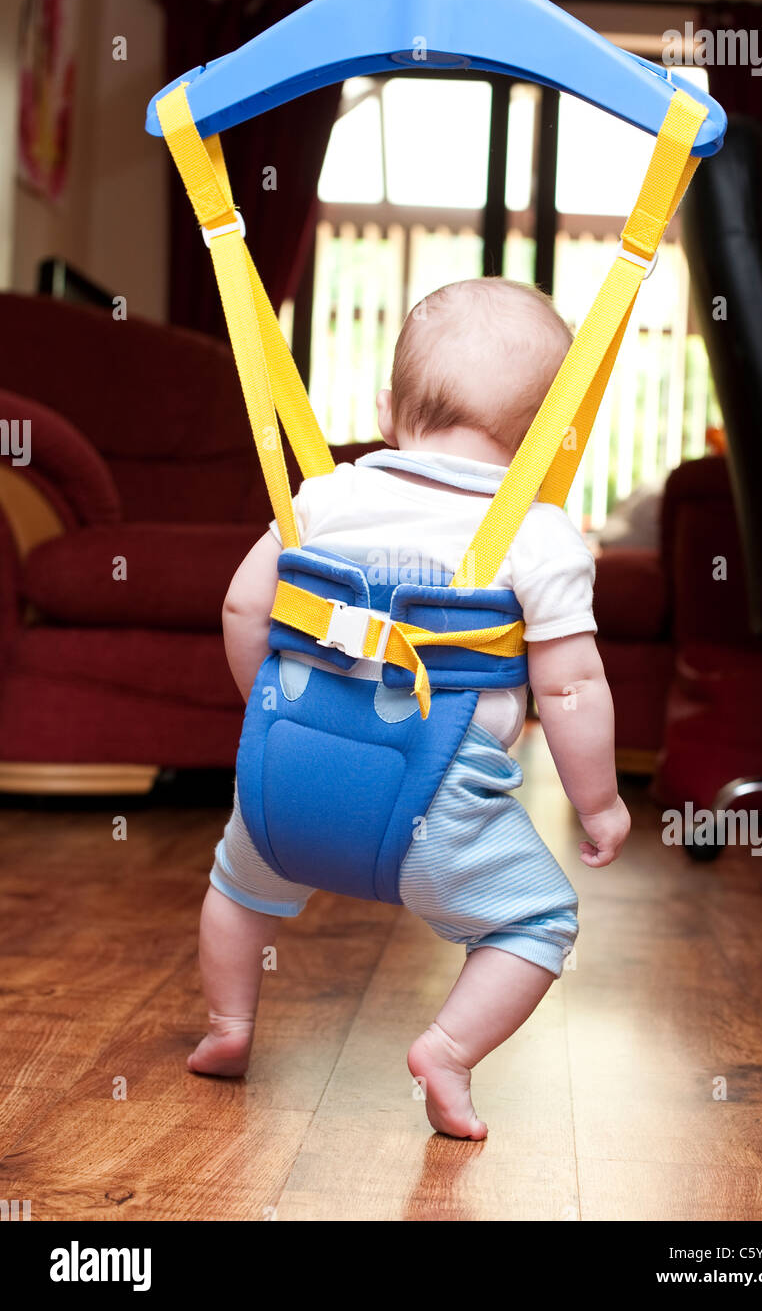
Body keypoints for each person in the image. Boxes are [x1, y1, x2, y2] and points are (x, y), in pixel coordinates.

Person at [190, 278, 631, 1140]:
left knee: (235, 890)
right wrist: (599, 803)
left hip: (284, 794)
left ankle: (229, 1027)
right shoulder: (539, 537)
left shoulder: (321, 499)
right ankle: (447, 1051)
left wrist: (274, 723)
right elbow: (571, 687)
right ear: (550, 439)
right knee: (538, 922)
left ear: (387, 409)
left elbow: (244, 610)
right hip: (432, 815)